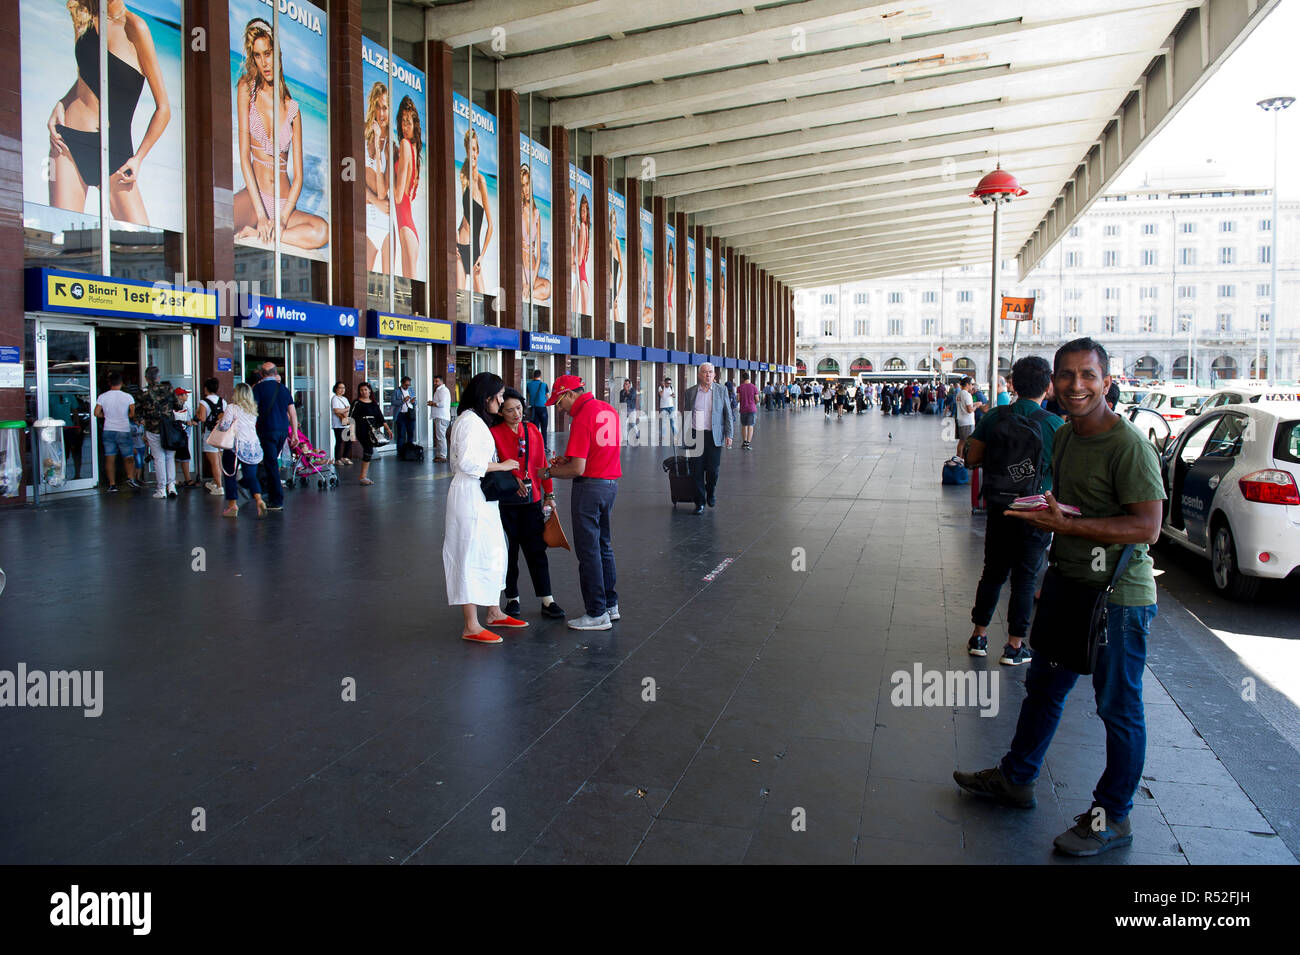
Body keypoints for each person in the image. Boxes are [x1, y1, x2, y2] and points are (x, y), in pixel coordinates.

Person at [953, 338, 1165, 857]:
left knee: (1118, 709)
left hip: (1117, 598)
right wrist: (1053, 549)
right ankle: (1017, 778)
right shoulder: (1066, 437)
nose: (1076, 385)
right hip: (1068, 584)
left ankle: (1112, 816)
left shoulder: (1129, 445)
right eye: (1066, 375)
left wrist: (1063, 524)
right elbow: (1068, 508)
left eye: (1087, 375)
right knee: (1044, 689)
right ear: (1053, 382)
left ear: (1106, 381)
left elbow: (1148, 527)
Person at [959, 357, 1062, 666]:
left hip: (1000, 508)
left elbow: (971, 458)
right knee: (1025, 579)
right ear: (1048, 385)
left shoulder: (994, 417)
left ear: (1013, 384)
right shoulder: (1054, 424)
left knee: (992, 573)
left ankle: (979, 636)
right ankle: (1015, 646)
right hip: (1036, 513)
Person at [46, 1, 171, 225]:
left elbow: (164, 109)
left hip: (117, 153)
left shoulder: (135, 27)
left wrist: (138, 159)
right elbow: (87, 76)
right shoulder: (84, 16)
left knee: (143, 235)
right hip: (67, 144)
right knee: (60, 229)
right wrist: (62, 102)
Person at [444, 372, 528, 644]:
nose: (502, 402)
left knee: (493, 551)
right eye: (500, 396)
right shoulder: (469, 422)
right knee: (469, 553)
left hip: (480, 495)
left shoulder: (476, 420)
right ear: (487, 397)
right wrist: (502, 466)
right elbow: (466, 463)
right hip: (469, 494)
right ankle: (471, 624)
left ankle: (493, 611)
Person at [232, 18, 328, 250]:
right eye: (257, 55)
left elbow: (299, 179)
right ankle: (261, 228)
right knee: (219, 223)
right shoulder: (246, 89)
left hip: (284, 204)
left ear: (278, 54)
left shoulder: (293, 109)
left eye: (268, 53)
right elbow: (245, 158)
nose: (265, 62)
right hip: (255, 196)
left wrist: (282, 219)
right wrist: (261, 215)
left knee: (322, 231)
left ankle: (260, 235)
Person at [543, 375, 621, 630]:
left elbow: (578, 469)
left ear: (570, 394)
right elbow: (595, 451)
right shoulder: (607, 409)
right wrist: (569, 460)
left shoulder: (583, 416)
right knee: (604, 547)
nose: (560, 409)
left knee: (588, 551)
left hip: (589, 488)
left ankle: (596, 612)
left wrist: (546, 473)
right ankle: (610, 605)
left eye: (560, 402)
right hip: (609, 484)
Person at [491, 389, 565, 620]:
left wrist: (549, 495)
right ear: (501, 412)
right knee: (509, 552)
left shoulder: (532, 430)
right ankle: (512, 598)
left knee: (536, 551)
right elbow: (489, 465)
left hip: (532, 501)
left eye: (519, 408)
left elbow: (542, 464)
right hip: (505, 503)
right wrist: (511, 476)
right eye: (510, 409)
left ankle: (547, 599)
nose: (516, 413)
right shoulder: (493, 433)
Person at [680, 363, 734, 514]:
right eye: (705, 372)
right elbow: (687, 414)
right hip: (696, 436)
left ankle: (710, 493)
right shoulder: (690, 392)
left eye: (710, 372)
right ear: (699, 375)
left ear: (714, 375)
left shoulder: (721, 390)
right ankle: (700, 502)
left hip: (713, 436)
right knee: (696, 471)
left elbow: (728, 414)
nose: (708, 375)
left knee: (712, 470)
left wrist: (729, 434)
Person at [215, 382, 267, 519]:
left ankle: (232, 505)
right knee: (250, 476)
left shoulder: (232, 408)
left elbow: (224, 426)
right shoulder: (253, 409)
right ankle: (259, 500)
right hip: (252, 445)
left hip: (235, 446)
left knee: (230, 474)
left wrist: (220, 421)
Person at [251, 361, 298, 509]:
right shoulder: (283, 389)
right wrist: (295, 433)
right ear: (275, 373)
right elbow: (292, 412)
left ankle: (276, 499)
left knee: (270, 463)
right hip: (283, 431)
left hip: (267, 430)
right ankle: (266, 490)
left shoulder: (257, 389)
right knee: (270, 461)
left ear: (261, 374)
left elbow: (252, 410)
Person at [457, 128, 493, 292]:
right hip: (459, 245)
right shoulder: (463, 175)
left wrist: (482, 256)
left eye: (474, 149)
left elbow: (490, 225)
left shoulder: (481, 181)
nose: (471, 153)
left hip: (475, 250)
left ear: (477, 152)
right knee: (458, 302)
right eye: (468, 149)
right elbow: (463, 217)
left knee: (483, 304)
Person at [138, 365, 180, 498]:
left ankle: (161, 489)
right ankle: (172, 486)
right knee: (169, 457)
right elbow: (178, 406)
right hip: (170, 428)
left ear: (146, 378)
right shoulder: (168, 389)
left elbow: (138, 414)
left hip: (153, 428)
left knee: (159, 458)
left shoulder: (142, 393)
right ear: (159, 377)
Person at [362, 82, 391, 272]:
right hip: (367, 218)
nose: (381, 113)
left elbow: (383, 191)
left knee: (392, 287)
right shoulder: (361, 134)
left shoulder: (390, 144)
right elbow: (352, 180)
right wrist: (374, 201)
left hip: (386, 222)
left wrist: (379, 152)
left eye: (385, 107)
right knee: (363, 281)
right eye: (378, 107)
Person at [393, 94, 422, 279]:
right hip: (408, 228)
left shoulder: (404, 145)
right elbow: (409, 196)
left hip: (405, 227)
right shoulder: (413, 150)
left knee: (407, 299)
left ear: (415, 126)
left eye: (408, 123)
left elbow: (397, 196)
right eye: (402, 122)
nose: (404, 127)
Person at [94, 371, 137, 492]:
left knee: (109, 458)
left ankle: (112, 484)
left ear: (109, 383)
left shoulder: (102, 396)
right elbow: (133, 413)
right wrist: (126, 415)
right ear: (122, 383)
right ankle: (130, 478)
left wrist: (104, 415)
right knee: (128, 456)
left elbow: (96, 413)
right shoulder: (128, 397)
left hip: (108, 429)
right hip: (123, 429)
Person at [350, 382, 391, 486]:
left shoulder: (373, 403)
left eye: (365, 389)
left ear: (369, 391)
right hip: (361, 429)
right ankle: (363, 477)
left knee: (369, 451)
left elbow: (380, 418)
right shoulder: (357, 403)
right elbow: (351, 418)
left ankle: (363, 476)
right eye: (361, 390)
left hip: (372, 430)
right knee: (368, 449)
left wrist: (388, 429)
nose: (363, 392)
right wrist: (352, 433)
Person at [195, 378, 227, 493]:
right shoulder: (222, 401)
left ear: (205, 389)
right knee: (219, 459)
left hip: (210, 434)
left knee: (214, 462)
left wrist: (197, 413)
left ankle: (219, 486)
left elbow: (202, 418)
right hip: (221, 433)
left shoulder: (203, 402)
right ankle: (215, 481)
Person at [173, 387, 199, 487]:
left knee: (178, 458)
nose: (187, 396)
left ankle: (173, 479)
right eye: (185, 394)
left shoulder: (184, 406)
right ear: (179, 396)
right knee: (184, 458)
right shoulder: (178, 408)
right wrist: (190, 422)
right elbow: (181, 421)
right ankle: (187, 479)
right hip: (181, 436)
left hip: (182, 436)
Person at [428, 374, 452, 461]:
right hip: (441, 417)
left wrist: (433, 403)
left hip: (441, 417)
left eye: (436, 381)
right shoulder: (440, 390)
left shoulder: (443, 391)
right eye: (434, 381)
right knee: (440, 436)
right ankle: (440, 454)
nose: (435, 383)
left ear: (441, 381)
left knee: (441, 437)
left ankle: (442, 455)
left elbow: (442, 404)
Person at [391, 375, 417, 451]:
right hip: (401, 414)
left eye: (409, 385)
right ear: (402, 383)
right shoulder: (397, 391)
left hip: (410, 414)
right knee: (401, 434)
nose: (407, 386)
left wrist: (413, 402)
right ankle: (400, 451)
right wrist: (403, 401)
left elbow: (415, 402)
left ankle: (409, 450)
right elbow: (393, 402)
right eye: (406, 385)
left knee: (410, 432)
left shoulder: (411, 390)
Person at [329, 381, 352, 466]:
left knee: (349, 440)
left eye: (343, 388)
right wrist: (346, 409)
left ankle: (345, 457)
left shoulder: (344, 399)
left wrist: (346, 410)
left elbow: (350, 408)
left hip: (346, 423)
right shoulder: (335, 398)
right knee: (339, 441)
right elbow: (336, 410)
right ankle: (337, 459)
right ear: (336, 389)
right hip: (338, 424)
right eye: (340, 388)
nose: (342, 390)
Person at [736, 372, 758, 450]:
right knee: (750, 425)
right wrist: (753, 403)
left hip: (743, 408)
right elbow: (757, 399)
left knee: (744, 425)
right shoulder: (754, 387)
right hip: (752, 408)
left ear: (742, 378)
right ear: (749, 378)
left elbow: (738, 399)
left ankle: (744, 442)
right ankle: (748, 442)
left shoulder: (739, 387)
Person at [657, 375, 678, 446]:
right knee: (664, 422)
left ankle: (676, 435)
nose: (669, 384)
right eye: (668, 383)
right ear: (665, 383)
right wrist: (663, 387)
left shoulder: (671, 387)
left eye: (670, 383)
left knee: (673, 421)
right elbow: (661, 395)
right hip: (663, 407)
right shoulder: (660, 388)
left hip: (671, 407)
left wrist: (673, 395)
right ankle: (663, 437)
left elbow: (674, 396)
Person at [955, 377, 976, 445]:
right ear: (967, 384)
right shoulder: (967, 395)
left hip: (961, 420)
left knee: (962, 441)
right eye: (972, 384)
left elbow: (964, 405)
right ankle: (964, 455)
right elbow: (969, 410)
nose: (972, 386)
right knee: (967, 442)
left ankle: (959, 455)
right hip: (967, 422)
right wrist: (977, 406)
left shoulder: (959, 394)